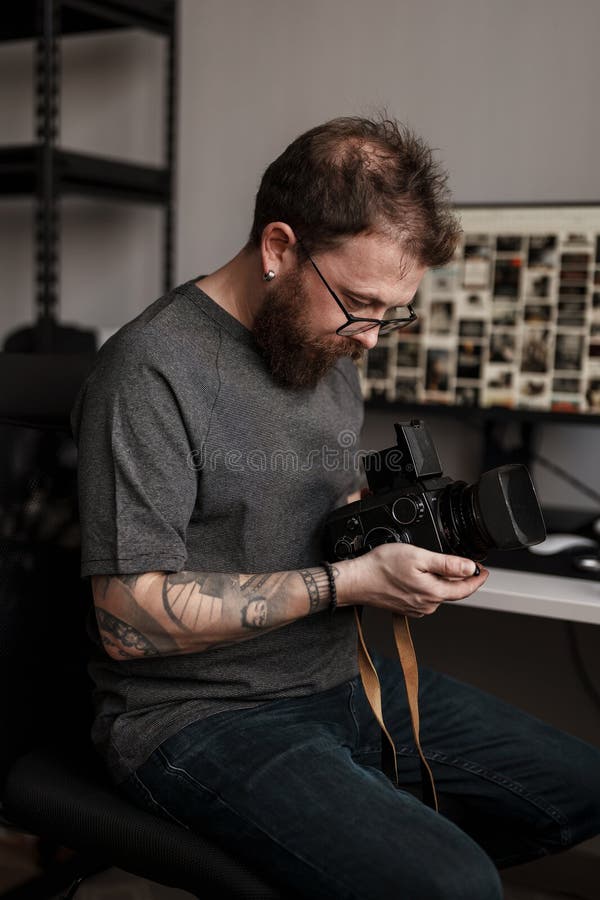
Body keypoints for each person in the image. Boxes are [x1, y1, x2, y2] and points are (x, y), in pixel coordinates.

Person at [71, 117, 600, 900]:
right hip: (196, 716)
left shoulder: (325, 344)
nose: (374, 339)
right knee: (454, 885)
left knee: (580, 786)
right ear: (280, 248)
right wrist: (346, 585)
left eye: (394, 313)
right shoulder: (151, 371)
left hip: (341, 680)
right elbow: (125, 619)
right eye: (360, 304)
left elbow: (300, 496)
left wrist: (397, 544)